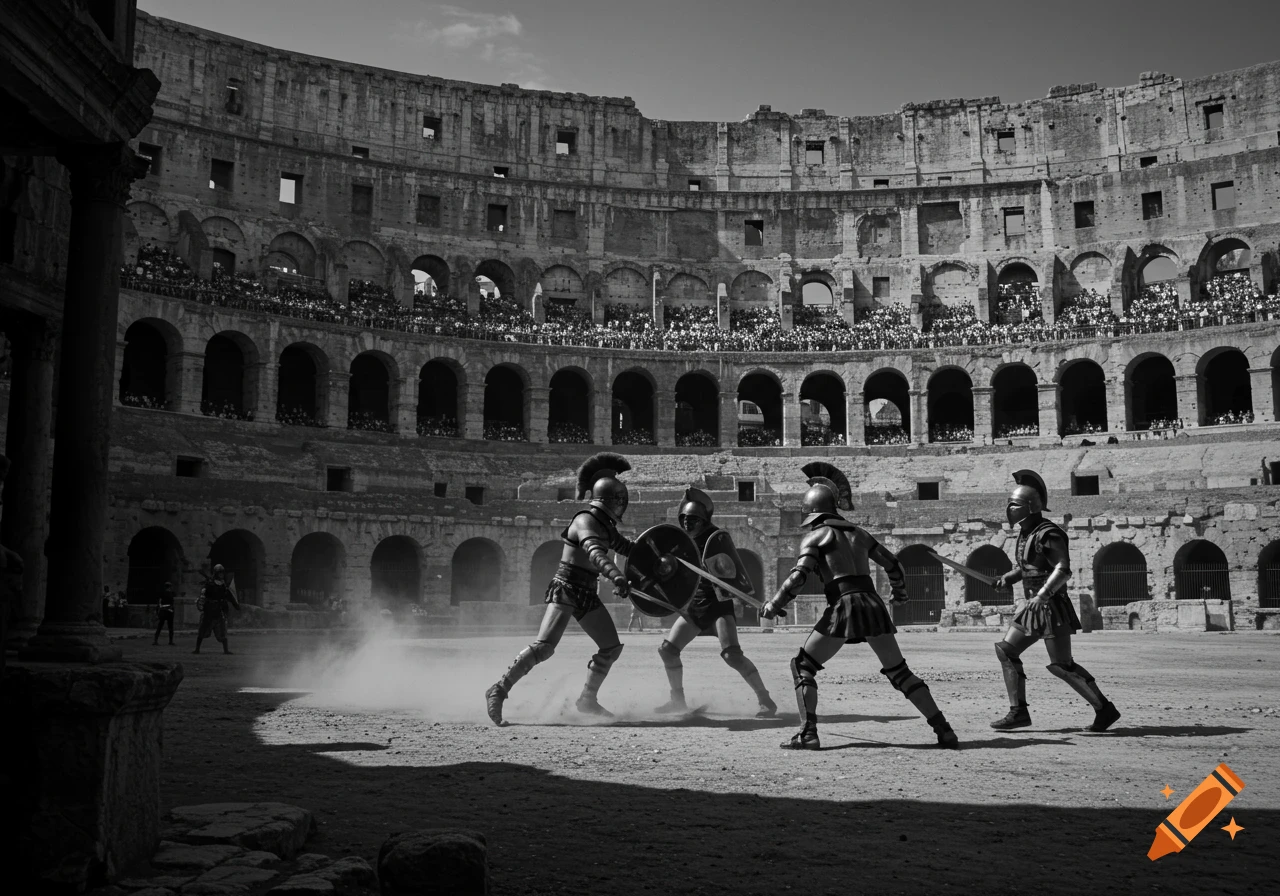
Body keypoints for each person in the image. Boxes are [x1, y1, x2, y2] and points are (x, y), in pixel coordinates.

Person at [761, 462, 958, 751]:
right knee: (900, 672)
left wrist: (775, 604)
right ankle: (945, 730)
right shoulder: (859, 533)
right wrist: (899, 596)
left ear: (811, 512)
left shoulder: (816, 535)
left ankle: (808, 733)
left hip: (845, 605)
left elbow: (799, 576)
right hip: (872, 603)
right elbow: (894, 565)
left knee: (802, 666)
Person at [486, 453, 634, 726]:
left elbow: (628, 549)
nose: (622, 505)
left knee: (610, 648)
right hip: (567, 587)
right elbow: (595, 554)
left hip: (587, 592)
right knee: (544, 647)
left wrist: (656, 555)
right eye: (620, 500)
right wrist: (616, 577)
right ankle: (499, 689)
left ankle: (587, 700)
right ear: (612, 500)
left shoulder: (606, 525)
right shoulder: (585, 520)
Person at [990, 469, 1120, 732]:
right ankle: (1018, 713)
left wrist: (1042, 595)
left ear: (1029, 506)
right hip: (1031, 606)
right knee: (1006, 650)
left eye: (1014, 505)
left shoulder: (1049, 533)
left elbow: (1062, 568)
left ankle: (1104, 710)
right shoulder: (1027, 533)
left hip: (1050, 607)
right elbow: (1028, 566)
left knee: (1062, 665)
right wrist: (1009, 578)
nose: (1009, 509)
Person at [654, 487, 776, 717]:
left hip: (718, 605)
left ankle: (765, 699)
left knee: (732, 655)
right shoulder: (679, 544)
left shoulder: (716, 539)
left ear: (703, 520)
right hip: (695, 605)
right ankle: (677, 701)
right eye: (684, 519)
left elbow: (731, 574)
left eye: (693, 519)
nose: (688, 524)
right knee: (668, 650)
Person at [193, 564, 240, 654]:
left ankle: (226, 650)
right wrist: (205, 590)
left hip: (218, 610)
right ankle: (197, 649)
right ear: (216, 573)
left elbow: (228, 596)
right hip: (209, 610)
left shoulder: (223, 585)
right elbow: (203, 594)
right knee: (203, 630)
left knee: (222, 632)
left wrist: (235, 605)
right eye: (220, 573)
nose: (221, 574)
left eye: (222, 573)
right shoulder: (209, 584)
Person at [153, 580, 176, 646]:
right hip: (169, 611)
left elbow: (159, 603)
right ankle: (170, 641)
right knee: (170, 627)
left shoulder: (162, 593)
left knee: (160, 626)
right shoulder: (171, 593)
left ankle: (155, 640)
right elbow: (172, 603)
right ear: (170, 587)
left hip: (163, 611)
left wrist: (157, 612)